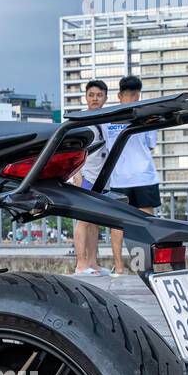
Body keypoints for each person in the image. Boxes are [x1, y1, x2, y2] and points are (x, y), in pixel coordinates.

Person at [105, 75, 160, 274]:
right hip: (144, 176)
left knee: (118, 224)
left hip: (119, 178)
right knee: (145, 224)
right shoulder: (147, 116)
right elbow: (151, 145)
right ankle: (143, 266)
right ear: (138, 95)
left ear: (119, 95)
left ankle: (119, 267)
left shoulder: (108, 117)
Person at [71, 79, 110, 276]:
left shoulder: (106, 120)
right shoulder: (81, 121)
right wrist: (76, 175)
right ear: (86, 97)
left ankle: (93, 263)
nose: (95, 99)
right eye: (92, 95)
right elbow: (74, 149)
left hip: (101, 178)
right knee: (83, 221)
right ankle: (81, 264)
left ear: (105, 97)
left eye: (99, 95)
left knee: (95, 221)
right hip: (85, 176)